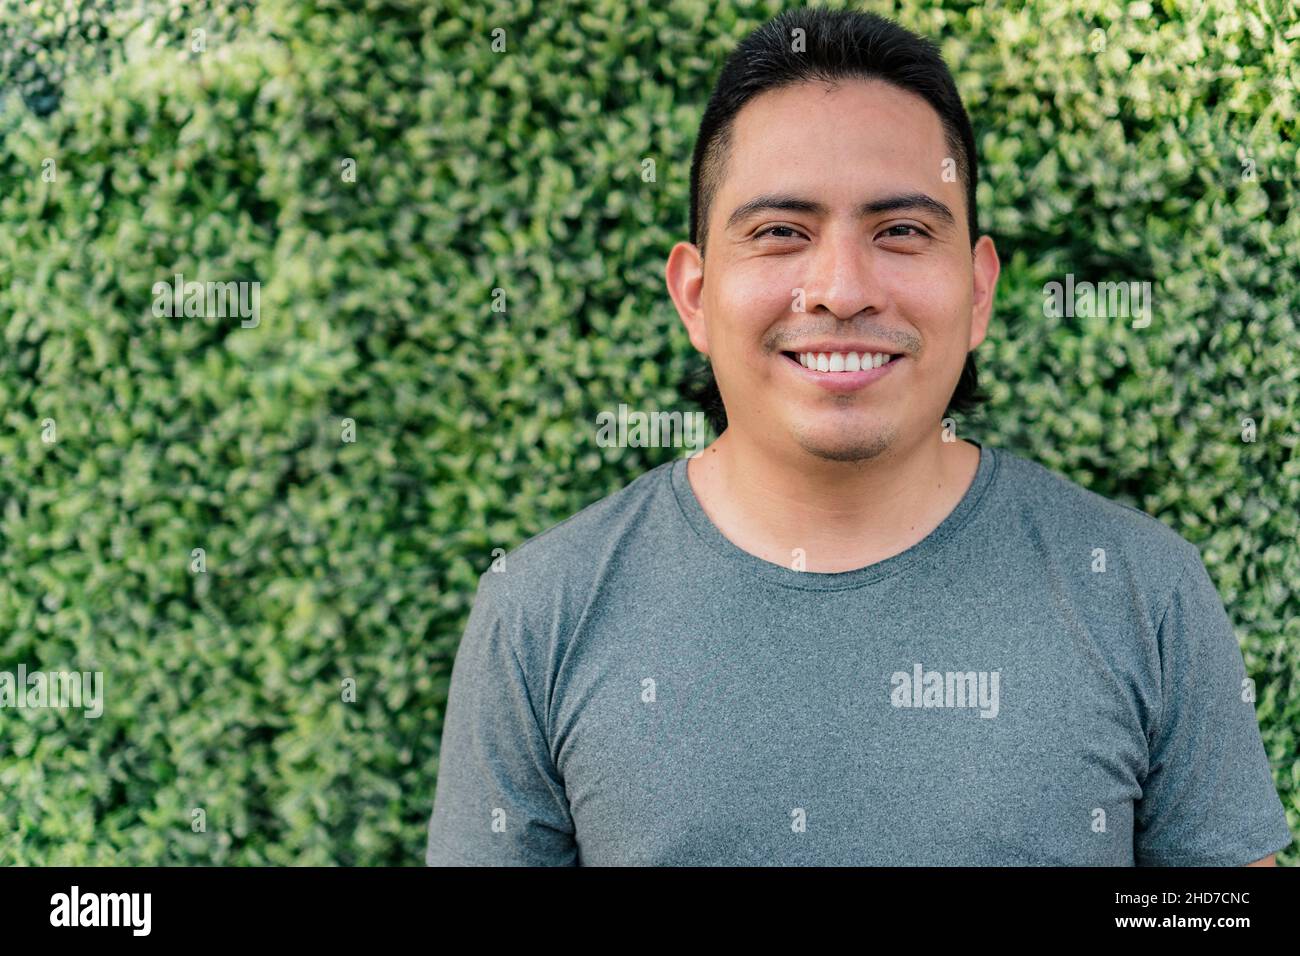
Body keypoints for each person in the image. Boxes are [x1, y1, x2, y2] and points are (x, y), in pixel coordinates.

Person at [425, 7, 1292, 866]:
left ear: (979, 289)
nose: (841, 288)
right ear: (694, 295)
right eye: (780, 233)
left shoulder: (1143, 592)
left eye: (902, 232)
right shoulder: (539, 613)